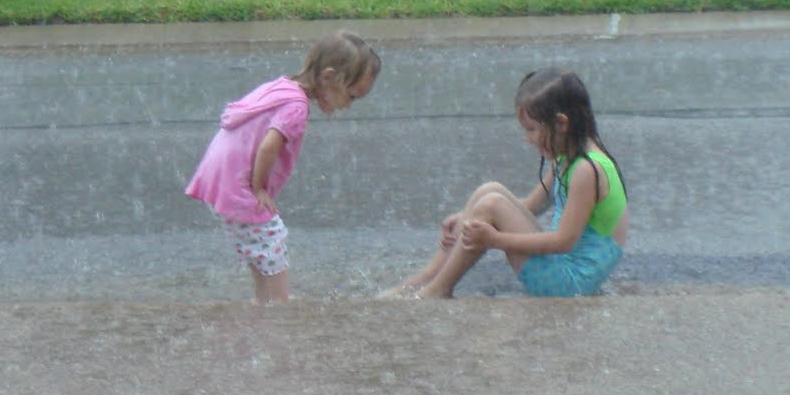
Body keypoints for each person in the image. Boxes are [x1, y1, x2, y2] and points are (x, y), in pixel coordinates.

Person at [382, 68, 627, 299]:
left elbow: (563, 242)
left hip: (571, 285)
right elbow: (530, 206)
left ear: (562, 123)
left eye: (532, 129)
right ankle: (430, 276)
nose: (527, 139)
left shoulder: (587, 169)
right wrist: (467, 216)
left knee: (493, 204)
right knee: (489, 191)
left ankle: (437, 290)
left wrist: (494, 240)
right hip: (563, 269)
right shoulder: (569, 157)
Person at [188, 30, 380, 304]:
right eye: (351, 96)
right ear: (328, 77)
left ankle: (263, 297)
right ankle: (279, 301)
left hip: (221, 174)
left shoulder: (281, 86)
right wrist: (258, 188)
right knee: (271, 237)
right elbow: (269, 146)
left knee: (258, 243)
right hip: (239, 183)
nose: (348, 106)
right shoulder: (296, 107)